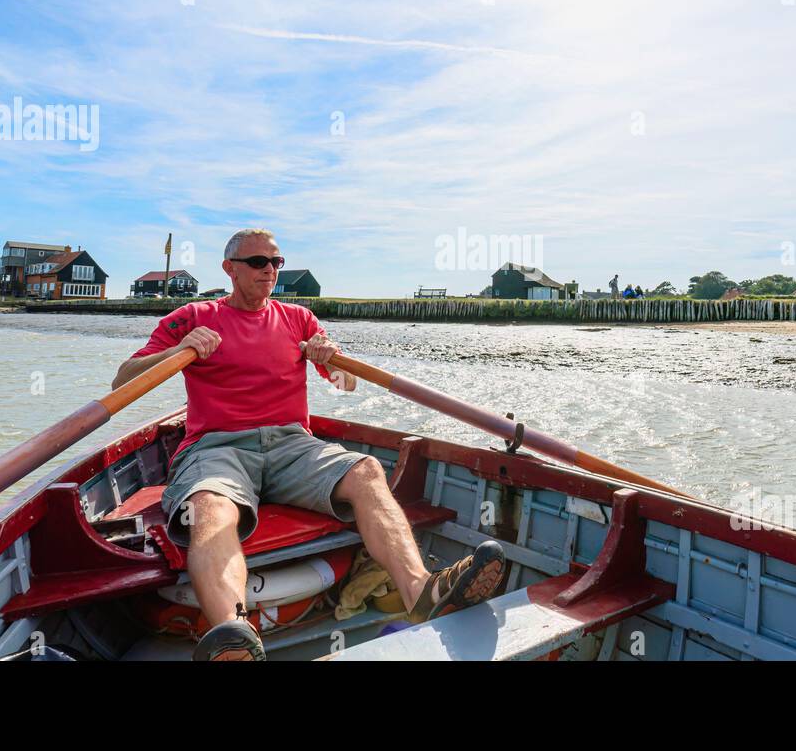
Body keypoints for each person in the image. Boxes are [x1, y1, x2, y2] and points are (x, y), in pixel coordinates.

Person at [112, 228, 505, 660]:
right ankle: (233, 636)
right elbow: (124, 381)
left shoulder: (298, 319)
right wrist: (178, 351)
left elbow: (347, 383)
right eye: (259, 262)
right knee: (209, 508)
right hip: (216, 446)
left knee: (368, 471)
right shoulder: (194, 316)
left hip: (292, 445)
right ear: (230, 269)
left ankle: (422, 592)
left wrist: (330, 357)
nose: (271, 271)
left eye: (276, 263)